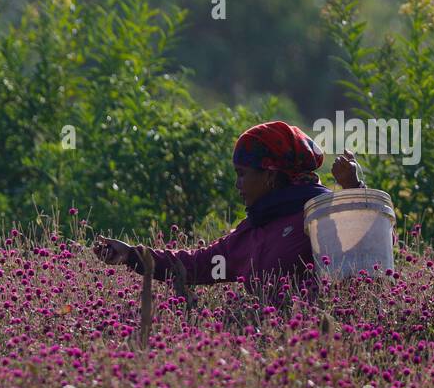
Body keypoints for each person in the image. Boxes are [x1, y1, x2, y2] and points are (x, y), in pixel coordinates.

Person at [93, 121, 365, 290]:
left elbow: (366, 258)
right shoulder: (253, 231)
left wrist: (353, 191)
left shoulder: (320, 213)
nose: (238, 185)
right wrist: (132, 256)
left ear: (269, 174)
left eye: (242, 174)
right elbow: (197, 264)